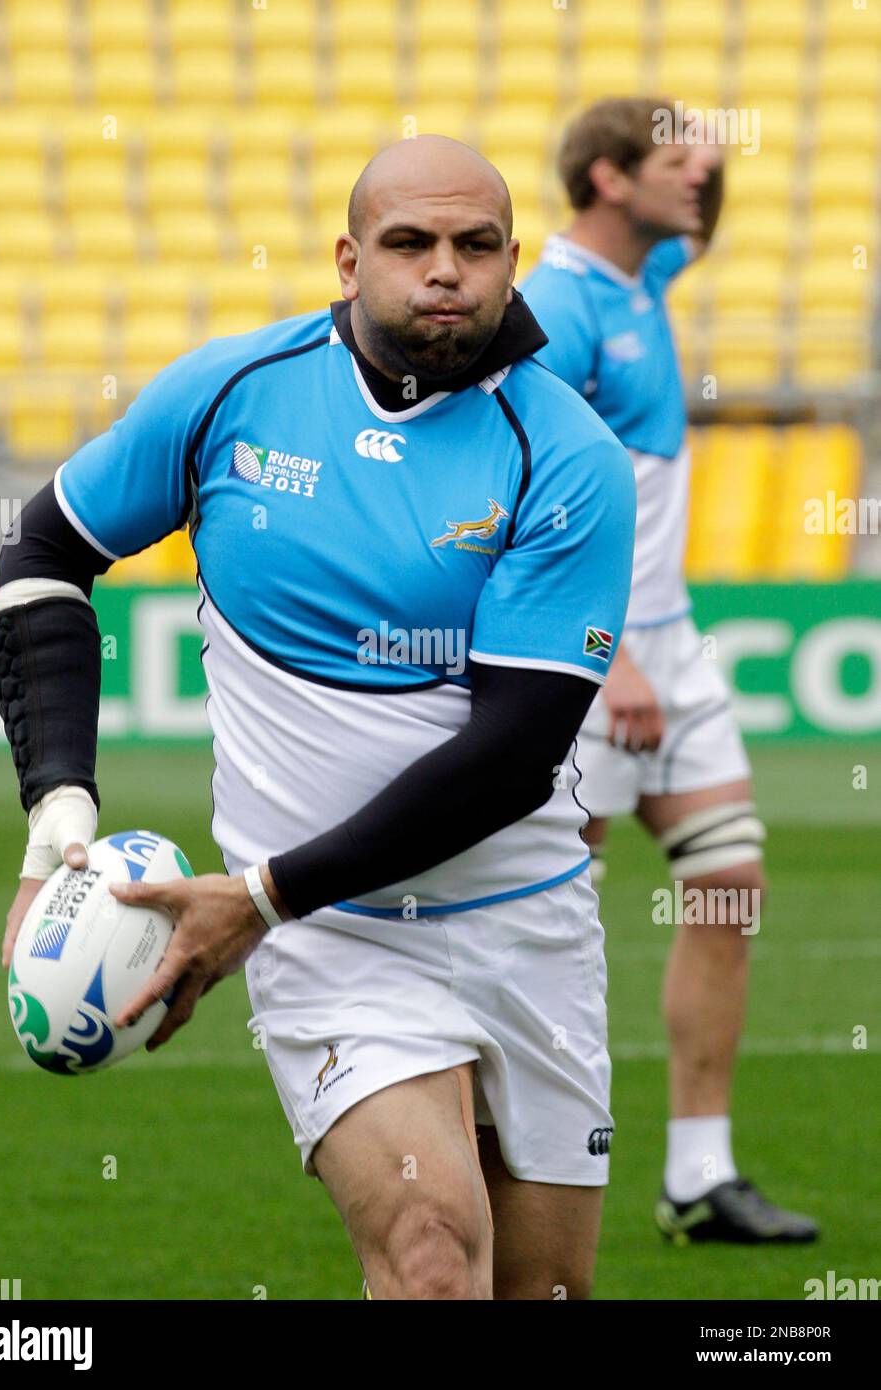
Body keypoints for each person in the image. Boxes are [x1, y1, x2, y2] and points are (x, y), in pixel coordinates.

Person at [0, 135, 636, 1299]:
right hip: (335, 937)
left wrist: (259, 896)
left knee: (545, 1293)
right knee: (434, 1256)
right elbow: (43, 557)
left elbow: (513, 758)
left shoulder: (567, 453)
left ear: (511, 261)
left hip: (520, 920)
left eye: (475, 246)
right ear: (348, 259)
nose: (446, 270)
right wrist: (58, 818)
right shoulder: (230, 393)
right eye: (410, 244)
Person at [520, 98, 817, 1245]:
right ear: (606, 178)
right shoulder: (558, 307)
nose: (700, 184)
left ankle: (698, 1176)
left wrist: (706, 144)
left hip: (672, 645)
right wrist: (610, 657)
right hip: (594, 652)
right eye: (674, 166)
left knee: (728, 886)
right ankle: (529, 1164)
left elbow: (708, 220)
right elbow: (535, 498)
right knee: (550, 919)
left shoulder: (641, 274)